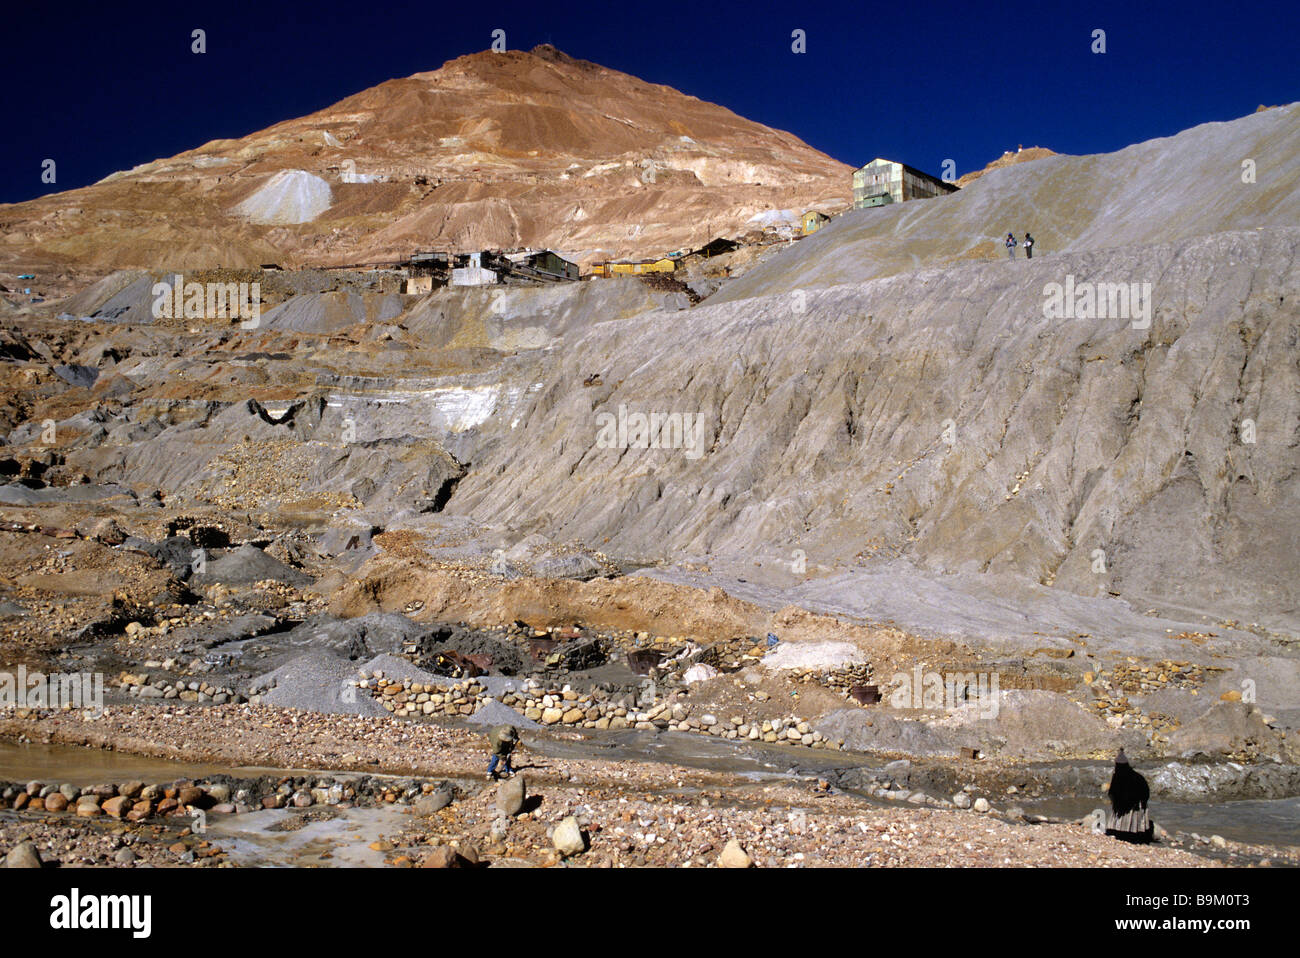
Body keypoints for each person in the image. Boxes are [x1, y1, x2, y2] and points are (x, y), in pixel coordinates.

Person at [1105, 749, 1154, 844]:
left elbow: (1112, 793)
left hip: (1127, 806)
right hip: (1134, 806)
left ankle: (1119, 831)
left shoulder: (1117, 776)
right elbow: (1146, 793)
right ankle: (1135, 833)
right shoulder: (1138, 777)